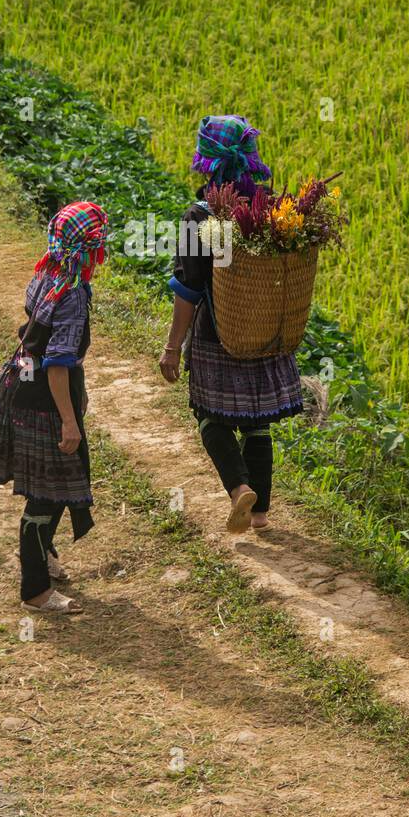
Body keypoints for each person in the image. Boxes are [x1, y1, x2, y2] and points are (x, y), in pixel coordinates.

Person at [0, 201, 108, 613]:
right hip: (45, 395)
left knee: (53, 488)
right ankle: (36, 590)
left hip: (24, 385)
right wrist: (69, 421)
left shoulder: (47, 273)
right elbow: (58, 364)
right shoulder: (73, 293)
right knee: (47, 494)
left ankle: (42, 557)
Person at [159, 115, 303, 534]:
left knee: (210, 415)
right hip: (264, 330)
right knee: (257, 422)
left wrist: (172, 347)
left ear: (207, 160)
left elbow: (188, 288)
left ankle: (240, 487)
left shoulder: (200, 216)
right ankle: (260, 516)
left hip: (217, 333)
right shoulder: (272, 207)